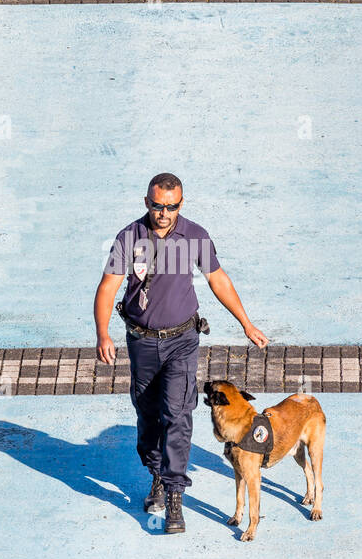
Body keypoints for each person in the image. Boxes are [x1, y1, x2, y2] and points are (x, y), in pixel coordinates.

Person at [94, 173, 268, 533]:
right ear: (147, 202)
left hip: (182, 341)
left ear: (180, 204)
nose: (164, 212)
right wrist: (102, 334)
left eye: (171, 206)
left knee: (178, 414)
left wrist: (246, 323)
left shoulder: (195, 236)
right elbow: (108, 287)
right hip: (141, 342)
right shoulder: (129, 237)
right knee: (148, 415)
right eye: (157, 205)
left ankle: (174, 493)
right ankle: (156, 471)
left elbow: (218, 279)